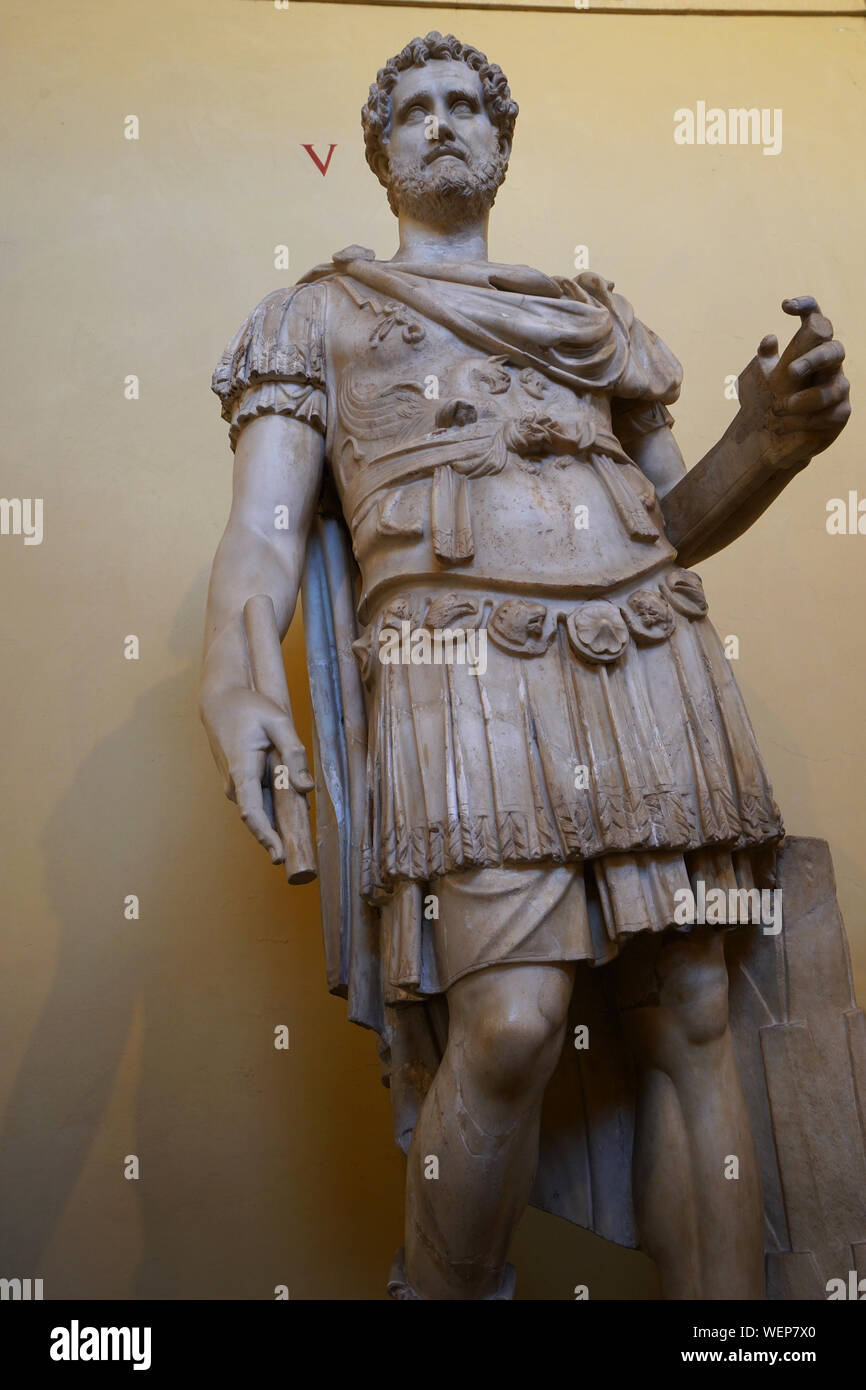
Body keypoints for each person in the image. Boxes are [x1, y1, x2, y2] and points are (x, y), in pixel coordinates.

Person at [200, 32, 850, 1299]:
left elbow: (673, 523)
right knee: (507, 1026)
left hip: (644, 655)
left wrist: (765, 443)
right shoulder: (317, 317)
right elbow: (261, 536)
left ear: (499, 146)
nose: (442, 123)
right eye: (413, 110)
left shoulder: (589, 318)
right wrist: (237, 684)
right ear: (382, 154)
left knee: (695, 1017)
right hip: (460, 675)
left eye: (466, 107)